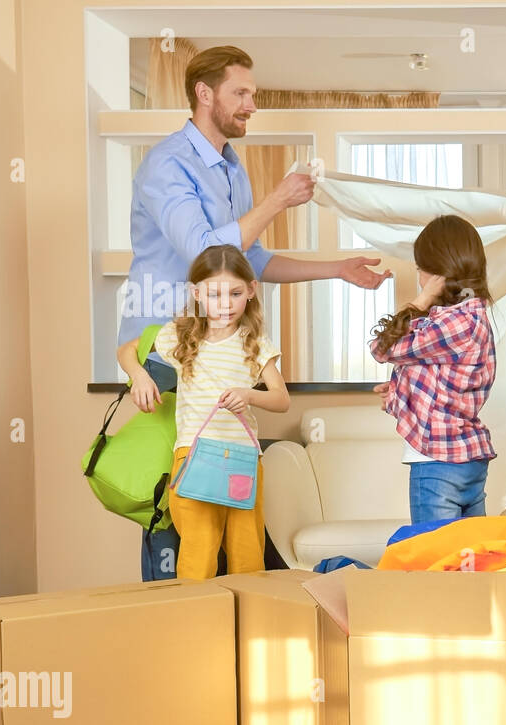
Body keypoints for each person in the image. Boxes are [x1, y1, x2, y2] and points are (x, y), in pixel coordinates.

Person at [117, 45, 388, 578]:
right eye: (241, 93)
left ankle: (239, 614)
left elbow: (248, 261)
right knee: (177, 496)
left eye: (254, 95)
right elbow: (204, 254)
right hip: (169, 347)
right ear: (204, 92)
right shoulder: (167, 164)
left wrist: (336, 269)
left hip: (221, 344)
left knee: (225, 486)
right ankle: (178, 618)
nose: (251, 105)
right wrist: (277, 201)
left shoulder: (230, 168)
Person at [155, 245, 290, 579]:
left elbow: (281, 399)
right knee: (198, 553)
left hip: (242, 458)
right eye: (215, 294)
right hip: (193, 453)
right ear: (197, 293)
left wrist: (249, 395)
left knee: (247, 552)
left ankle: (251, 624)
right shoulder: (179, 335)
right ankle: (196, 624)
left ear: (251, 291)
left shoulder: (255, 343)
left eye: (235, 293)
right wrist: (141, 377)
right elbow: (127, 350)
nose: (225, 303)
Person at [370, 215, 497, 522]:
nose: (418, 276)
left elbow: (382, 348)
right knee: (469, 560)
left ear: (438, 272)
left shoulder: (454, 323)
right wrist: (402, 387)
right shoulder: (467, 318)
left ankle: (336, 570)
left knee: (435, 561)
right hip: (466, 458)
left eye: (419, 269)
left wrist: (420, 300)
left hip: (438, 460)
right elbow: (447, 379)